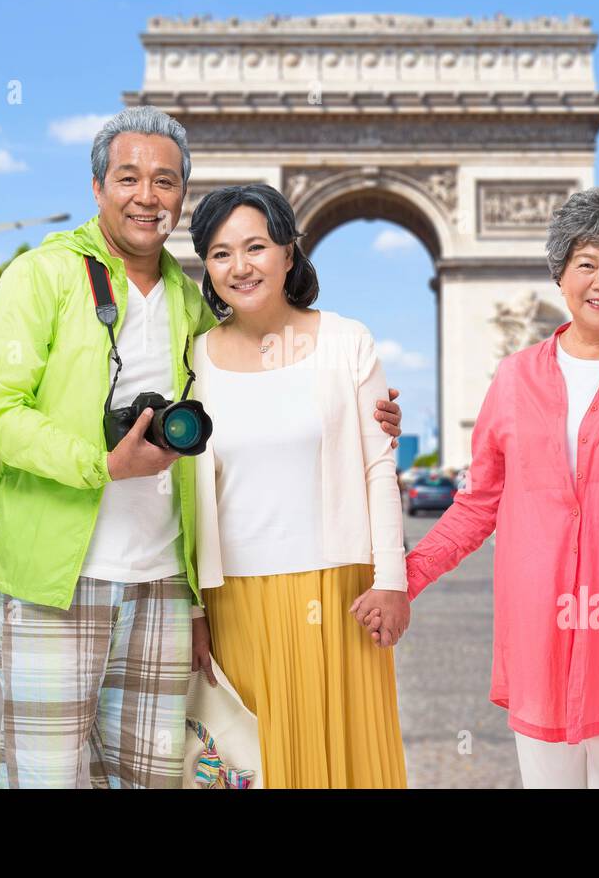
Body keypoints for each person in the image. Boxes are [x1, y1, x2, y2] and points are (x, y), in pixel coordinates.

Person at [0, 107, 402, 789]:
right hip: (57, 579)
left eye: (165, 181)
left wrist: (364, 417)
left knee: (157, 780)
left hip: (163, 588)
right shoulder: (41, 275)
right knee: (44, 777)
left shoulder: (191, 309)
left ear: (182, 195)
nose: (147, 195)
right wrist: (99, 463)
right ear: (98, 186)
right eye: (128, 177)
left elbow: (257, 405)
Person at [363, 187, 599, 788]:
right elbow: (478, 504)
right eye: (587, 264)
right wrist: (403, 578)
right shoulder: (514, 378)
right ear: (560, 275)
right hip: (539, 637)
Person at [187, 184, 408, 788]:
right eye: (220, 252)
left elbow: (377, 466)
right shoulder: (193, 359)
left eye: (256, 246)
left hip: (339, 592)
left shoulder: (346, 341)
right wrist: (193, 606)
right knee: (258, 768)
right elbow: (178, 495)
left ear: (289, 251)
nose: (240, 266)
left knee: (340, 767)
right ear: (206, 267)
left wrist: (392, 580)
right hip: (235, 598)